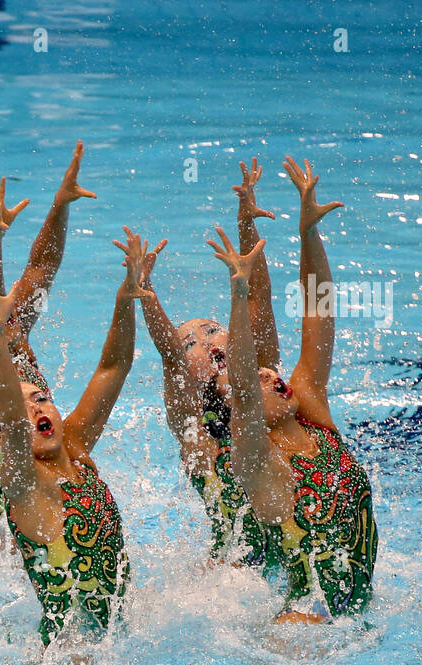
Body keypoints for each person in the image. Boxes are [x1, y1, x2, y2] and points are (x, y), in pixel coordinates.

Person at [207, 157, 378, 623]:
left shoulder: (312, 414)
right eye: (253, 378)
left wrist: (308, 233)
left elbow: (318, 313)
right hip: (303, 633)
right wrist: (238, 296)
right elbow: (245, 388)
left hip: (352, 621)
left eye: (268, 371)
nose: (268, 375)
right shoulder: (257, 461)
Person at [0, 227, 141, 645]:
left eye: (41, 398)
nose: (37, 409)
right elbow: (12, 419)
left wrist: (125, 298)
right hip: (67, 657)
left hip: (120, 639)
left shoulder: (74, 447)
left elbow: (113, 367)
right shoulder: (23, 482)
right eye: (22, 407)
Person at [135, 158, 280, 564]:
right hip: (232, 572)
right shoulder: (193, 426)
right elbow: (168, 354)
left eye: (213, 329)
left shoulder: (266, 380)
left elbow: (257, 296)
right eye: (190, 344)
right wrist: (145, 290)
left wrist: (246, 224)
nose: (206, 341)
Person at [0, 142, 96, 525]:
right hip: (1, 536)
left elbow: (42, 265)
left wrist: (60, 204)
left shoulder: (14, 331)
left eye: (0, 297)